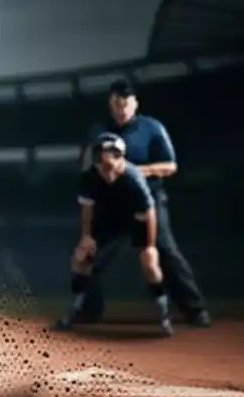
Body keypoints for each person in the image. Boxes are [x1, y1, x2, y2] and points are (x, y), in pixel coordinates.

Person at [72, 79, 211, 327]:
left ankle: (195, 310)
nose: (121, 107)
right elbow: (86, 163)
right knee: (89, 253)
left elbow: (170, 166)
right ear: (110, 104)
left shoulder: (152, 128)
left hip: (147, 200)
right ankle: (87, 311)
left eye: (126, 102)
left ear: (135, 103)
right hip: (110, 204)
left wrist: (133, 170)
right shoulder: (99, 130)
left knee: (166, 252)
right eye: (116, 102)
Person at [55, 133, 173, 336]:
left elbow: (149, 212)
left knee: (150, 263)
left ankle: (164, 316)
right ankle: (74, 310)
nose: (107, 165)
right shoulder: (89, 178)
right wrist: (86, 236)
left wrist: (150, 245)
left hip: (135, 219)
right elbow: (87, 209)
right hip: (107, 221)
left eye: (113, 158)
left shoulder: (133, 178)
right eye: (101, 160)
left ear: (122, 158)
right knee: (81, 258)